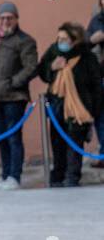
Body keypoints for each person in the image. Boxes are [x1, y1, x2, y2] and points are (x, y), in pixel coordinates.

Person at [0, 2, 39, 190]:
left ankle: (14, 176)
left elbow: (31, 67)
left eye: (9, 17)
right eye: (2, 18)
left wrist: (13, 82)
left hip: (14, 97)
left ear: (16, 19)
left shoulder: (25, 41)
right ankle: (5, 175)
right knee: (1, 138)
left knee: (13, 138)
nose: (6, 21)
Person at [37, 22, 102, 188]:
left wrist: (93, 109)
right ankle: (57, 175)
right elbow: (42, 72)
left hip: (78, 107)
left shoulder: (87, 57)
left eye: (64, 39)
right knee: (57, 142)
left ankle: (72, 176)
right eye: (59, 38)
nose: (60, 42)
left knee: (74, 143)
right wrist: (52, 67)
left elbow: (96, 85)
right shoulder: (53, 52)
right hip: (57, 105)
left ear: (75, 41)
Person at [88, 0, 104, 164]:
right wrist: (93, 39)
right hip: (100, 76)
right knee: (101, 118)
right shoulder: (96, 20)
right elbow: (84, 43)